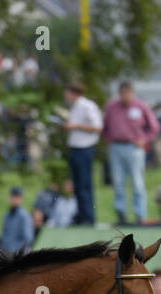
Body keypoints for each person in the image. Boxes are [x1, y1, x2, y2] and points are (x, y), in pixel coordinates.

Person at [101, 81, 159, 226]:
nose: (125, 96)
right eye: (122, 93)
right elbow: (104, 126)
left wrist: (144, 140)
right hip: (116, 147)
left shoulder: (141, 106)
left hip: (134, 148)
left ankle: (140, 215)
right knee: (118, 182)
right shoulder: (112, 106)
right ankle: (121, 214)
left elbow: (154, 127)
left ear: (132, 93)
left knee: (137, 182)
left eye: (128, 93)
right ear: (119, 93)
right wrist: (107, 138)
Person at [62, 82, 102, 226]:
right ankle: (80, 215)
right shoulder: (74, 107)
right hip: (74, 147)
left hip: (84, 148)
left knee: (85, 184)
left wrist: (75, 126)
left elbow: (97, 127)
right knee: (77, 185)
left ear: (73, 93)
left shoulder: (87, 106)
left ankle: (88, 217)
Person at [0, 186, 34, 254]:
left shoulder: (24, 216)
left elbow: (28, 239)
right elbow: (4, 235)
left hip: (17, 254)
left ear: (21, 199)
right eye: (13, 197)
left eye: (17, 197)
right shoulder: (7, 215)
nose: (14, 199)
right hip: (4, 252)